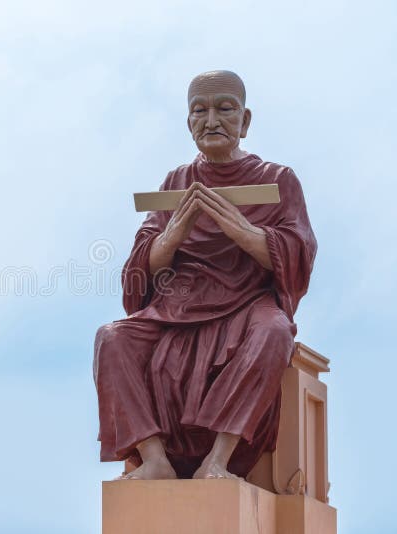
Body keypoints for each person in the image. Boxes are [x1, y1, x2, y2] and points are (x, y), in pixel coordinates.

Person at [93, 70, 317, 480]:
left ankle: (218, 460)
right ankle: (155, 459)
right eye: (200, 110)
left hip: (247, 303)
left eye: (224, 108)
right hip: (178, 304)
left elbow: (297, 252)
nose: (212, 119)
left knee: (275, 332)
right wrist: (176, 230)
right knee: (113, 336)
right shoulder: (177, 182)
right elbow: (140, 267)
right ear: (189, 122)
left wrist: (241, 230)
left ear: (244, 121)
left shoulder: (278, 179)